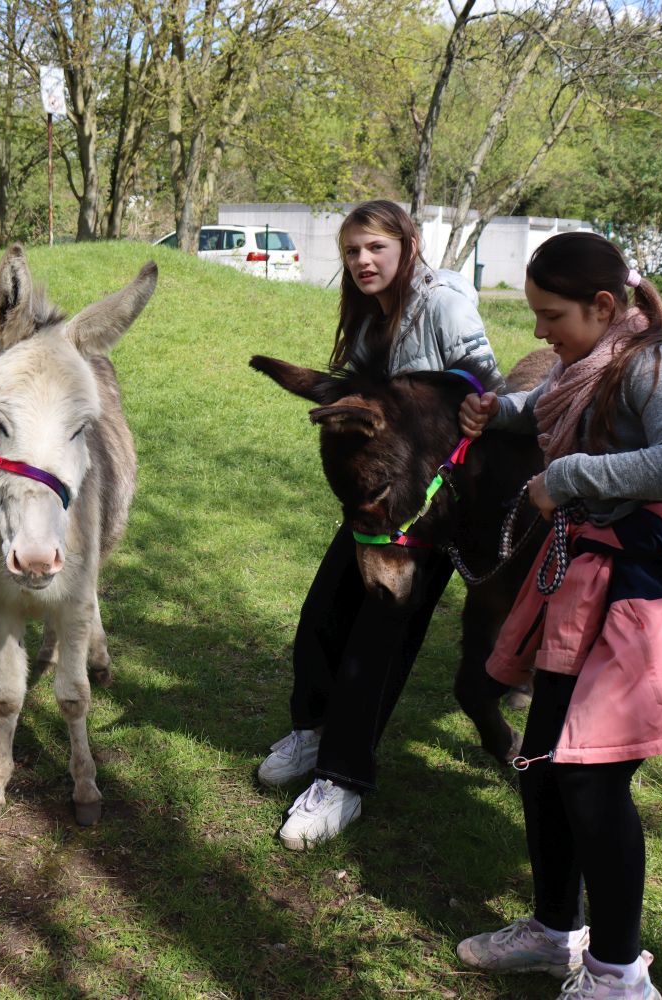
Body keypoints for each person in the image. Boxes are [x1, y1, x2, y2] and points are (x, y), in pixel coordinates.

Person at [453, 232, 662, 999]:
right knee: (540, 767)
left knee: (592, 785)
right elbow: (553, 405)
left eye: (550, 314)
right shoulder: (591, 365)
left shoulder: (654, 368)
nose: (538, 331)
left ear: (604, 307)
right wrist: (500, 411)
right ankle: (553, 932)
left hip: (652, 594)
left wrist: (566, 476)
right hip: (592, 588)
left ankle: (618, 975)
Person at [258, 199, 508, 850]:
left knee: (379, 639)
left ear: (409, 244)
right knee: (322, 613)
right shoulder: (371, 315)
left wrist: (473, 422)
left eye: (375, 248)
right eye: (351, 251)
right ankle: (312, 732)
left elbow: (489, 387)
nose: (363, 261)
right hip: (382, 499)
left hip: (433, 504)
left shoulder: (445, 301)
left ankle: (342, 779)